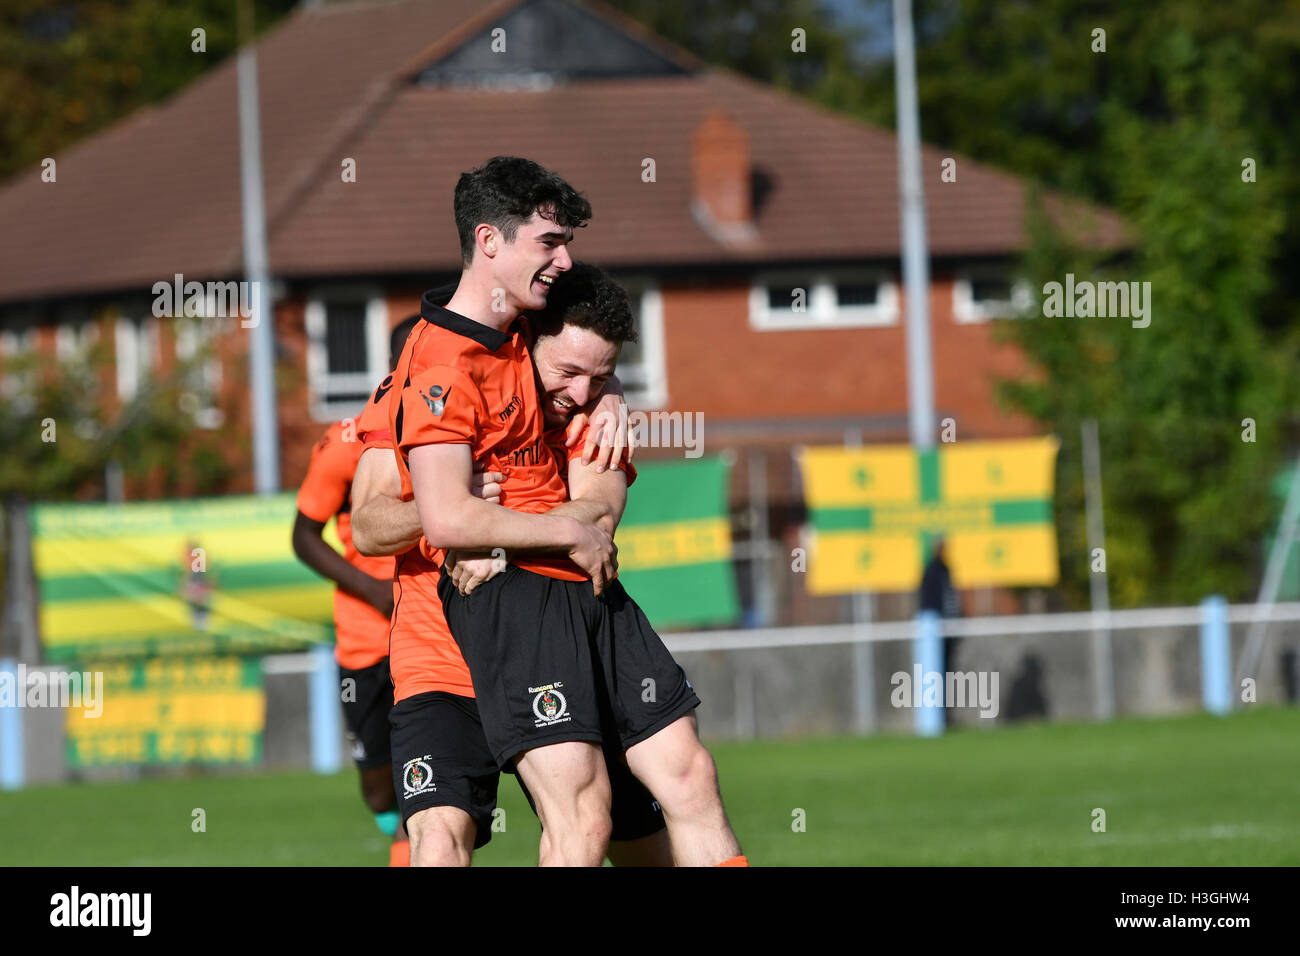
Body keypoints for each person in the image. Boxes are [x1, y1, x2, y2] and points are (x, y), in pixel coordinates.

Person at [372, 156, 745, 867]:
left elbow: (598, 481)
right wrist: (551, 531)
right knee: (573, 811)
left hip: (587, 590)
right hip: (498, 609)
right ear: (490, 242)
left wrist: (604, 388)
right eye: (549, 242)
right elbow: (432, 519)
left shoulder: (539, 330)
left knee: (689, 778)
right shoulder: (438, 367)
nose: (565, 259)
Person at [352, 270, 669, 866]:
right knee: (438, 839)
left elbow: (599, 512)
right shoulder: (399, 397)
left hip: (545, 641)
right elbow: (366, 527)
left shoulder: (562, 391)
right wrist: (446, 507)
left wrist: (611, 390)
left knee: (629, 841)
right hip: (440, 661)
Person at [291, 315, 419, 867]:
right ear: (400, 366)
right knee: (378, 785)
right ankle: (398, 830)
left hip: (431, 634)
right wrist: (372, 589)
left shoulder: (455, 431)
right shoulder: (349, 440)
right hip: (365, 640)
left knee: (428, 772)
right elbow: (302, 536)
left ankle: (411, 845)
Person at [918, 536, 962, 687]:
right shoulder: (932, 570)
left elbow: (951, 599)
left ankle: (947, 706)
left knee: (948, 669)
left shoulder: (946, 570)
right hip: (937, 627)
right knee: (936, 668)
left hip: (948, 626)